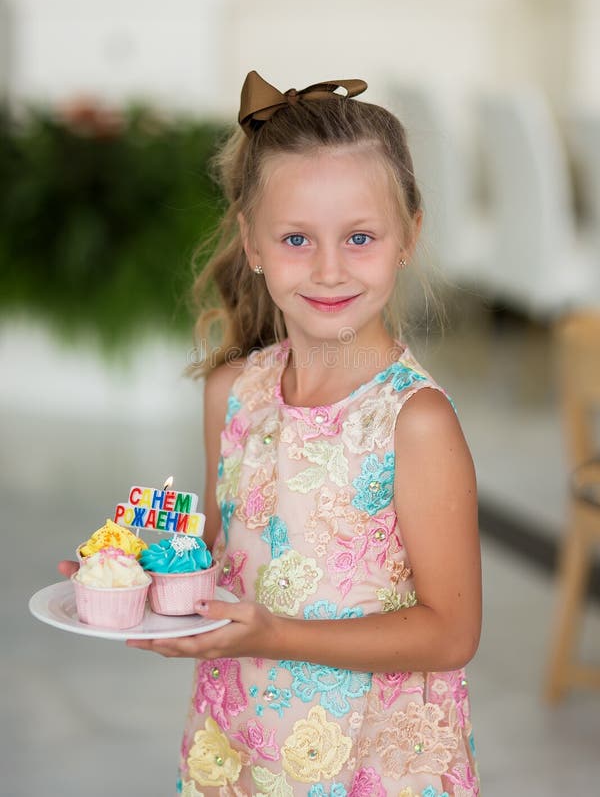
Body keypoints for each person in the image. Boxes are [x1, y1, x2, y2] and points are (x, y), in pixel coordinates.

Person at [66, 71, 482, 796]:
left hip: (373, 764)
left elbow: (450, 632)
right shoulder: (234, 394)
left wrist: (274, 635)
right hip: (243, 746)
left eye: (359, 237)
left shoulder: (415, 422)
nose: (328, 269)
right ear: (252, 242)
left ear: (409, 234)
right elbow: (220, 557)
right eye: (296, 238)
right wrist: (136, 576)